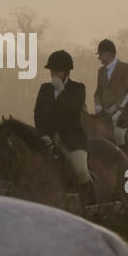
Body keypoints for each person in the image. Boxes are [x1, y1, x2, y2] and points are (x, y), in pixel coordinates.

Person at [34, 49, 94, 203]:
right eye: (52, 71)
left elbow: (74, 110)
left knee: (81, 171)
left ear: (66, 72)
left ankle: (91, 205)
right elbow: (38, 115)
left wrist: (61, 91)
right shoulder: (44, 89)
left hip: (73, 140)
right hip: (48, 139)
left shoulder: (78, 88)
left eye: (57, 71)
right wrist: (44, 135)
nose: (53, 74)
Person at [93, 38, 128, 147]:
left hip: (121, 112)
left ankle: (123, 157)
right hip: (104, 113)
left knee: (118, 135)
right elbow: (98, 92)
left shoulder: (126, 69)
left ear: (108, 54)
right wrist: (98, 105)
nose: (99, 58)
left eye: (100, 54)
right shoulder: (100, 71)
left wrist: (116, 106)